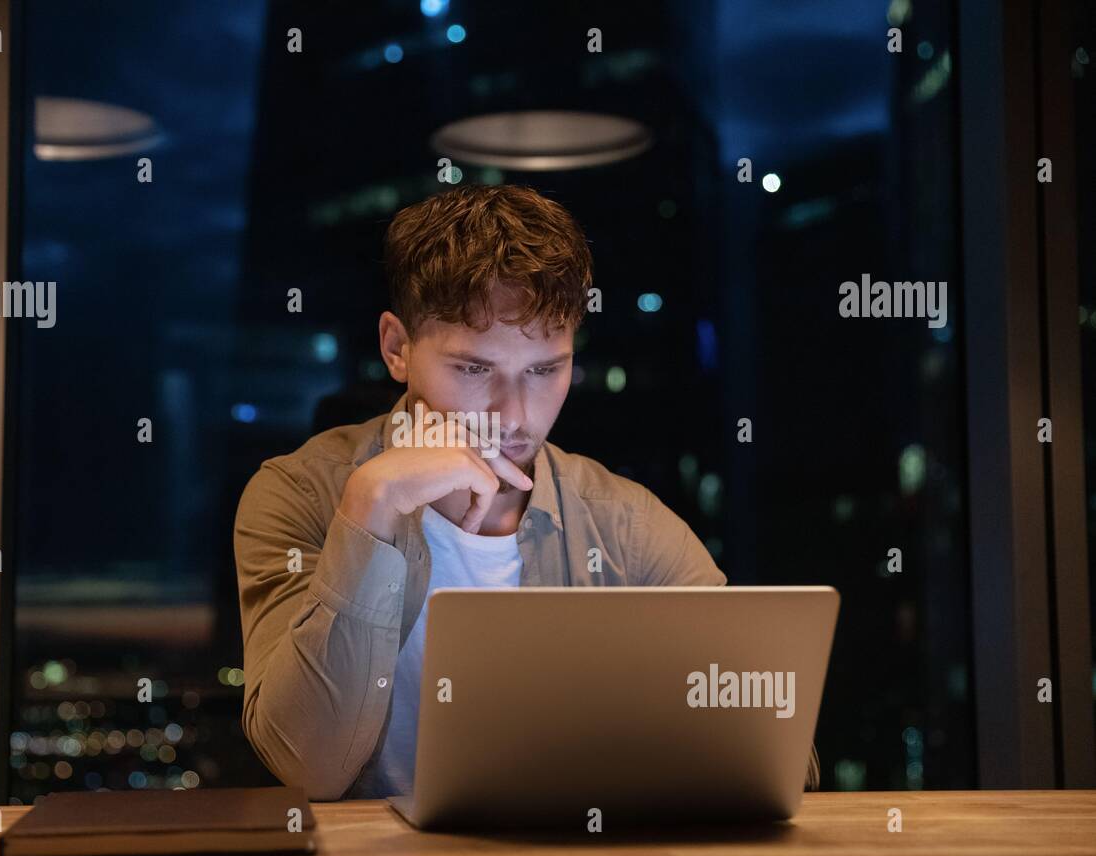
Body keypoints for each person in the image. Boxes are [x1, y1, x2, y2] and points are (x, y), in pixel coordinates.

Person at [233, 184, 821, 800]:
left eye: (544, 370)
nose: (513, 415)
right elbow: (309, 767)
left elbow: (781, 760)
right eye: (474, 369)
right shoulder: (298, 495)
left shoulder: (624, 524)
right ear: (397, 348)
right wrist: (369, 511)